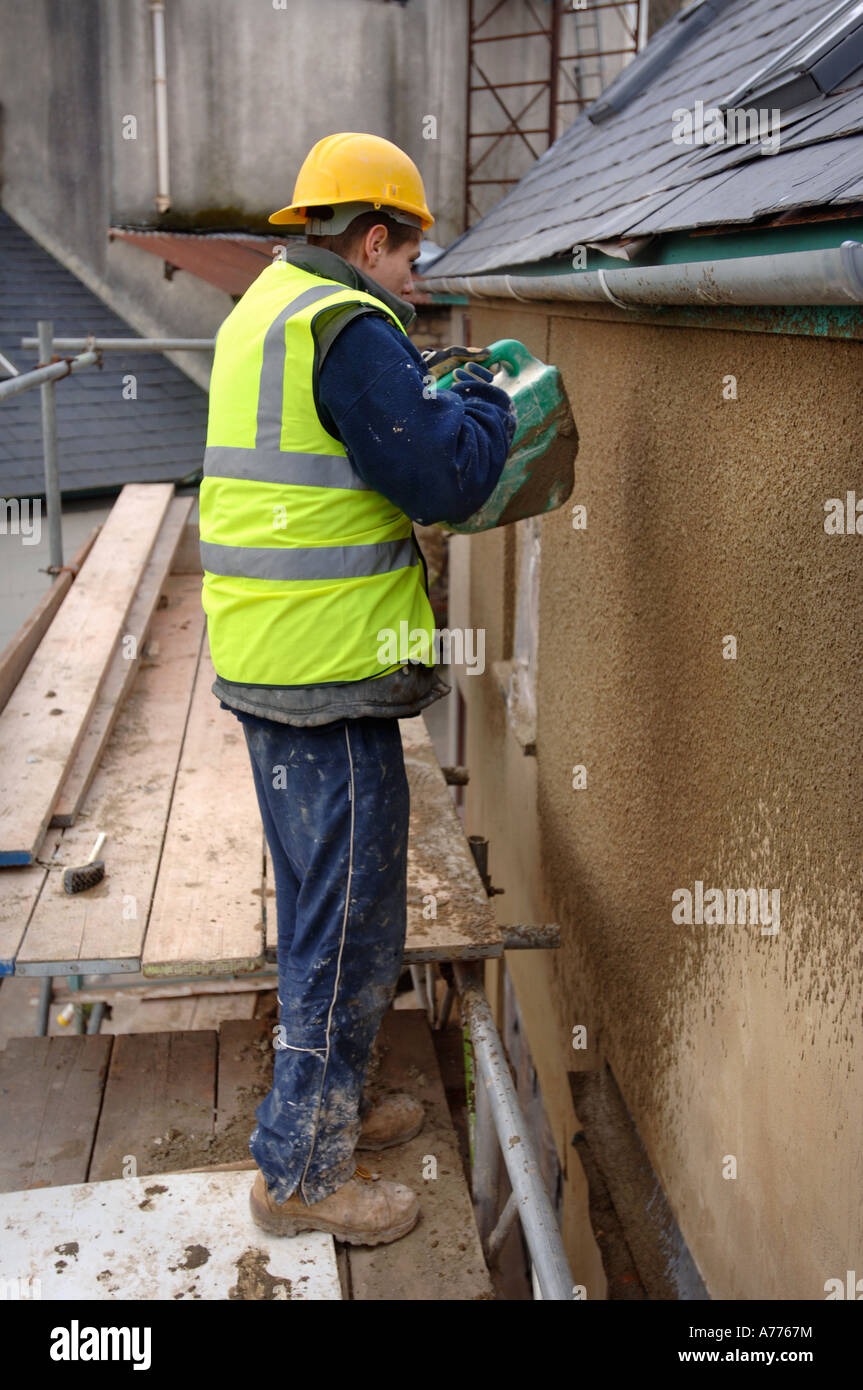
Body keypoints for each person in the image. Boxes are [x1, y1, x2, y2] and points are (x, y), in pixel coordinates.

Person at [199, 132, 515, 1245]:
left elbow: (340, 446)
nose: (416, 280)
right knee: (343, 925)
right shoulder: (349, 326)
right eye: (411, 257)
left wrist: (421, 395)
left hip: (267, 658)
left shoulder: (268, 304)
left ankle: (328, 1104)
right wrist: (484, 399)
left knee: (317, 908)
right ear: (371, 237)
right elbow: (442, 473)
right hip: (325, 674)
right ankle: (299, 1173)